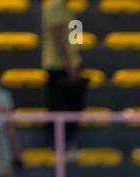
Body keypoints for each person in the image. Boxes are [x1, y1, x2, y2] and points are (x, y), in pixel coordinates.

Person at [43, 0, 87, 146]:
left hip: (69, 65)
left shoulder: (66, 7)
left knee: (73, 110)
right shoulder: (55, 5)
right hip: (59, 67)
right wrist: (70, 65)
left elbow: (72, 37)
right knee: (61, 110)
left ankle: (66, 145)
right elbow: (58, 35)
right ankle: (59, 147)